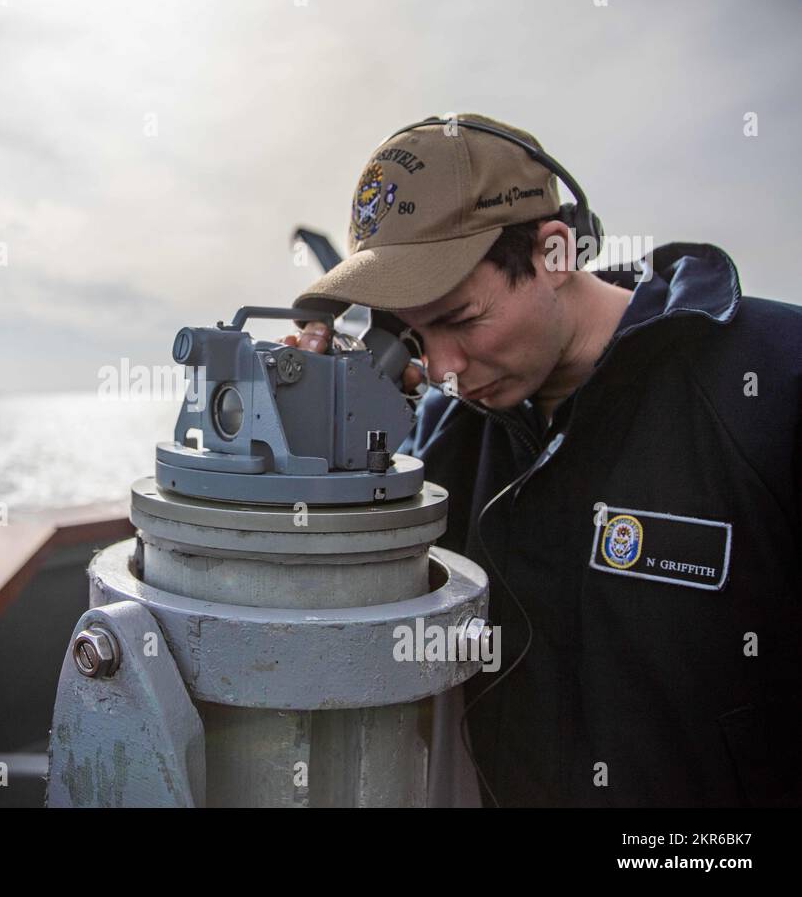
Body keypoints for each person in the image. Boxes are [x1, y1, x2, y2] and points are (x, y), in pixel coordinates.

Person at [283, 113, 802, 807]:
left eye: (462, 320)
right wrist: (308, 432)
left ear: (555, 253)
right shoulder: (443, 437)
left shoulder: (774, 381)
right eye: (417, 335)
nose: (444, 370)